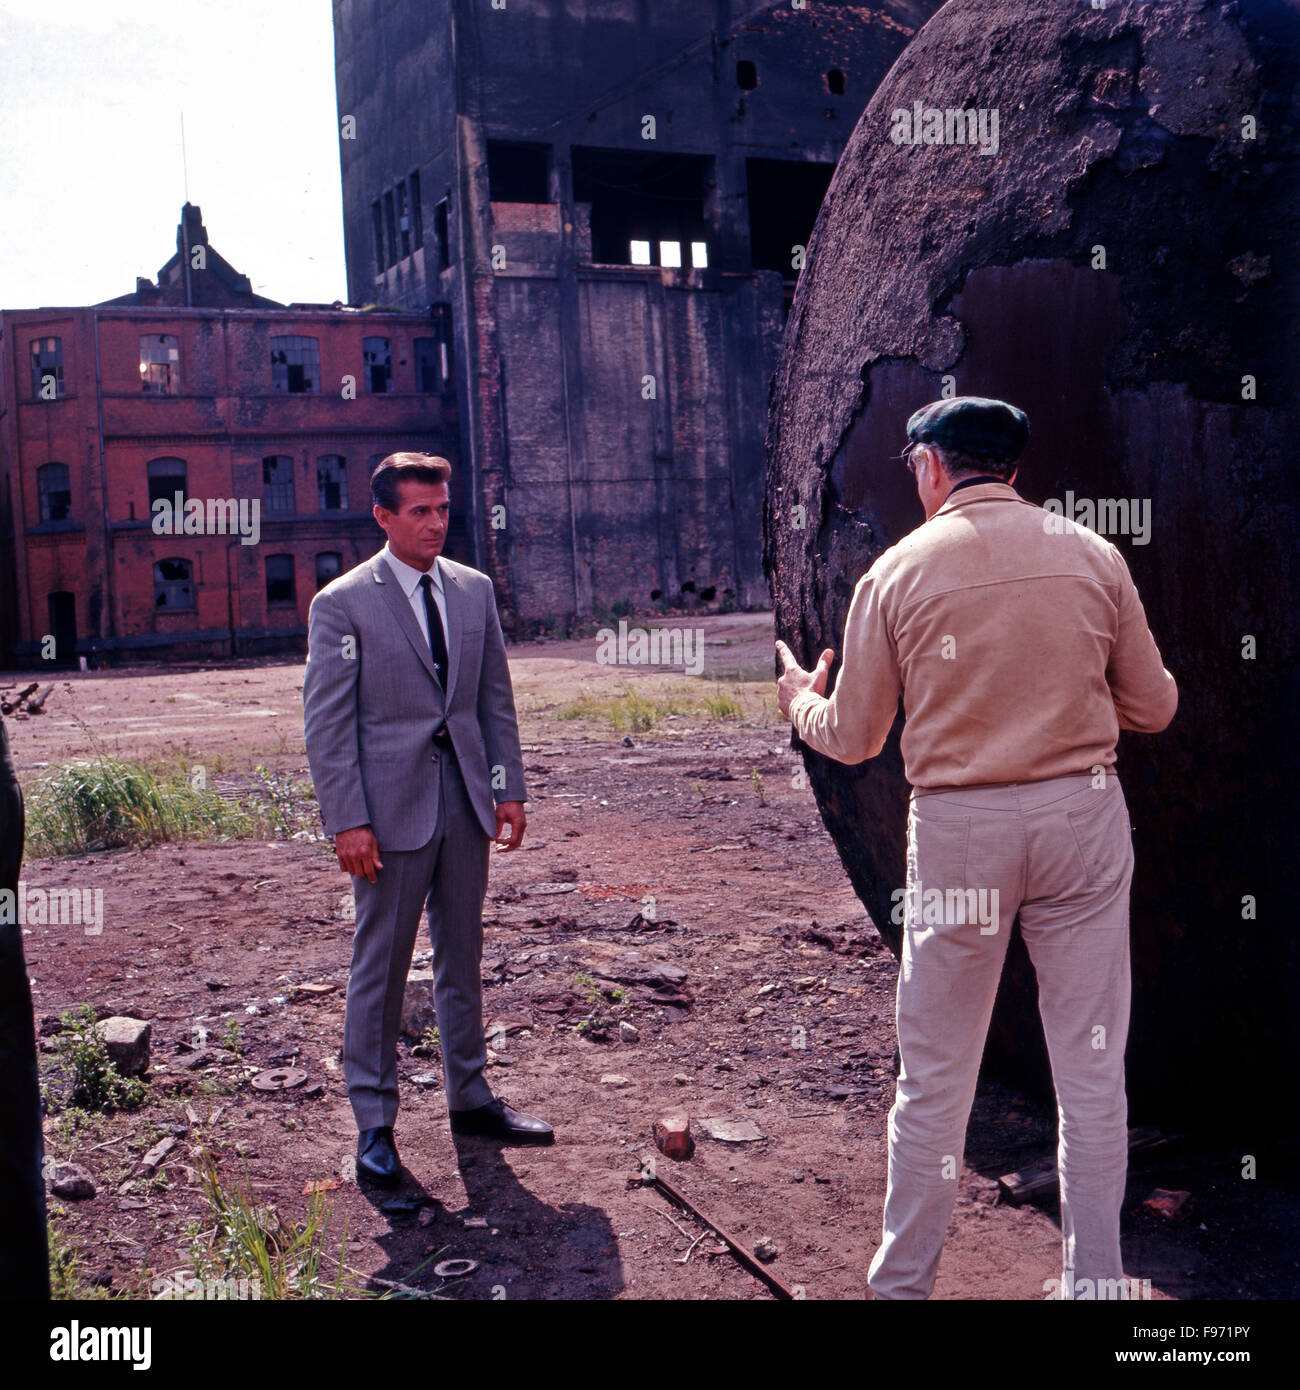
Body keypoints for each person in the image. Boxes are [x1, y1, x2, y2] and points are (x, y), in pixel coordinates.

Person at [776, 396, 1177, 1300]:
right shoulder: (1093, 556)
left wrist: (800, 698)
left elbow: (854, 736)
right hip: (1081, 820)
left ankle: (903, 1288)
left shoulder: (898, 572)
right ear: (1015, 469)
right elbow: (1154, 709)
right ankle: (1095, 1285)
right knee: (1091, 1067)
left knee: (935, 1076)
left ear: (928, 465)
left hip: (961, 833)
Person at [303, 452, 552, 1189]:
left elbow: (491, 700)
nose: (437, 523)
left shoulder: (472, 592)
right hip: (386, 816)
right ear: (383, 517)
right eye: (420, 511)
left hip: (466, 803)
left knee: (463, 955)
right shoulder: (342, 604)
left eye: (443, 509)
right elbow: (328, 725)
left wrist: (508, 788)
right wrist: (349, 819)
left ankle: (470, 1099)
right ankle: (375, 1125)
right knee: (379, 967)